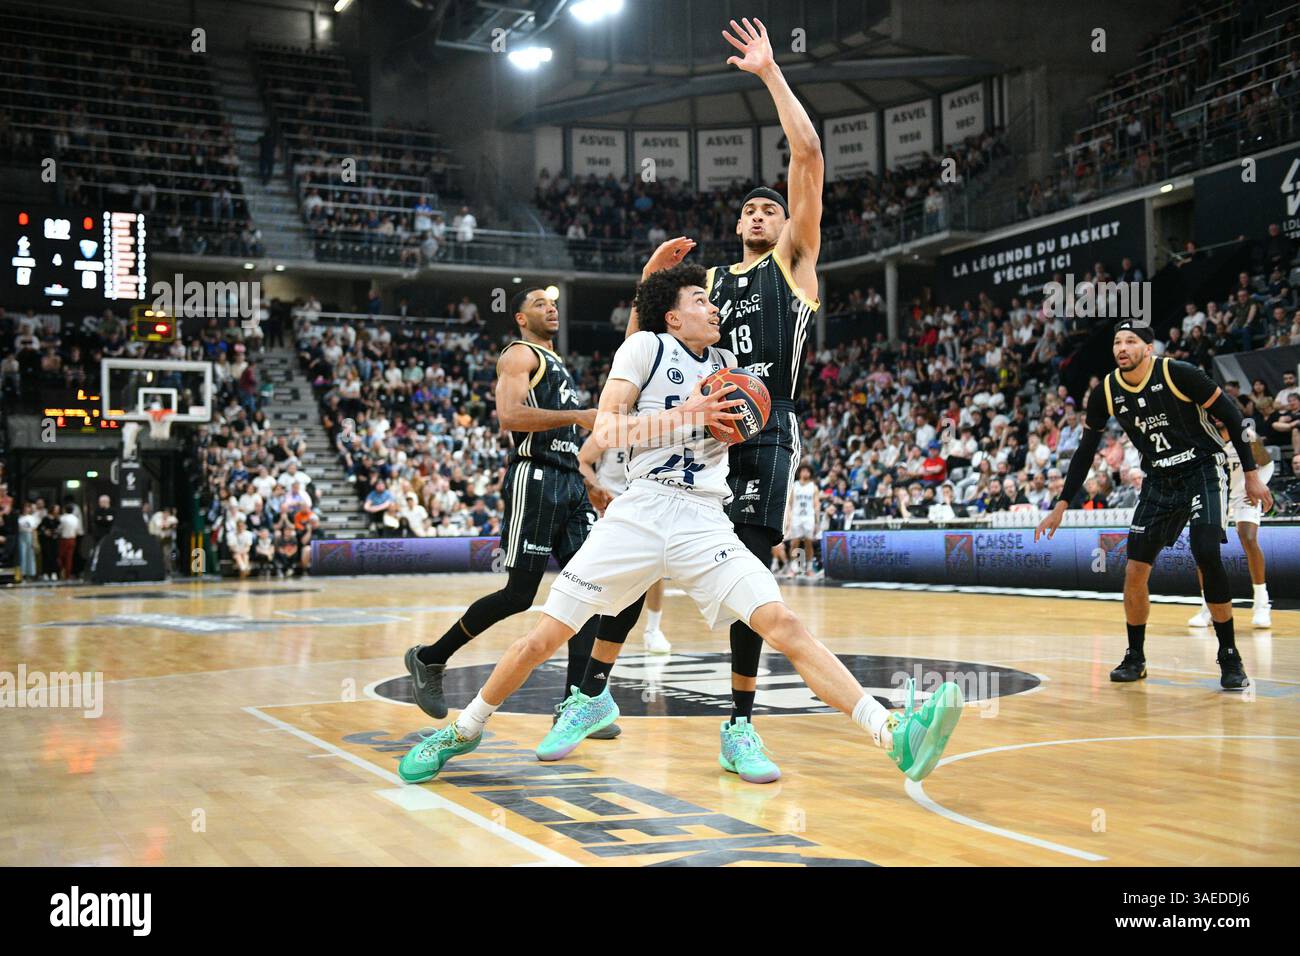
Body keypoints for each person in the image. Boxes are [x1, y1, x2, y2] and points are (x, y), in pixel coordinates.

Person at [396, 263, 964, 787]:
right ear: (673, 316)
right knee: (543, 636)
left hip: (702, 518)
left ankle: (892, 734)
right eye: (700, 299)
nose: (714, 308)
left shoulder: (727, 370)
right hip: (640, 511)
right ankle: (461, 732)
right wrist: (686, 414)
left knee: (783, 622)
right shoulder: (644, 347)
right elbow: (609, 432)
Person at [614, 16, 826, 781]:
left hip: (763, 430)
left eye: (772, 208)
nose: (761, 213)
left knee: (754, 567)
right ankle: (592, 689)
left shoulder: (794, 267)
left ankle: (740, 722)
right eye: (751, 208)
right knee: (636, 552)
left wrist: (770, 73)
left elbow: (806, 154)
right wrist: (650, 274)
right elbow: (642, 339)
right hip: (695, 431)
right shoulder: (706, 290)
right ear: (737, 224)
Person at [402, 287, 617, 738]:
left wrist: (591, 481)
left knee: (591, 590)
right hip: (534, 479)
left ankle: (575, 704)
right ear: (520, 318)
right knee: (520, 595)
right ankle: (430, 657)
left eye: (553, 302)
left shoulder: (558, 365)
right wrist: (577, 417)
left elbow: (566, 441)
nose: (550, 308)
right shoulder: (519, 355)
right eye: (539, 303)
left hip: (570, 484)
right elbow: (509, 416)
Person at [1036, 320, 1272, 690]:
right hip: (1159, 481)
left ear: (1149, 348)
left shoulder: (1178, 373)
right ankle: (1135, 656)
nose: (1122, 348)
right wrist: (1062, 502)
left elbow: (1235, 417)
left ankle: (1229, 656)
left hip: (1203, 470)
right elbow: (1085, 449)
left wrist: (1252, 473)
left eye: (1131, 341)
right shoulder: (1107, 392)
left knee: (1206, 551)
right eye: (1117, 342)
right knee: (1134, 569)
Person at [577, 439, 671, 654]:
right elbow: (582, 460)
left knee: (656, 569)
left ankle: (653, 630)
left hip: (645, 503)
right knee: (601, 573)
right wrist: (597, 488)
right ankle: (591, 628)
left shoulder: (656, 426)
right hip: (611, 505)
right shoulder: (614, 426)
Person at [1189, 425, 1274, 629]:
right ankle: (1207, 607)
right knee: (1204, 548)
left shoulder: (1246, 434)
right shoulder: (1202, 435)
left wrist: (1258, 484)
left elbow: (1267, 464)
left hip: (1245, 492)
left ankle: (1262, 603)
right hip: (1215, 493)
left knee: (1249, 538)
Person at [785, 463, 820, 577]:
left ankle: (809, 569)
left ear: (810, 473)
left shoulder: (813, 487)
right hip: (796, 517)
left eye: (808, 471)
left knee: (809, 543)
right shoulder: (794, 485)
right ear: (799, 472)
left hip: (809, 517)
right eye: (803, 471)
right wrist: (789, 520)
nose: (806, 473)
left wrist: (817, 521)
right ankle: (794, 568)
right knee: (794, 543)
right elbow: (789, 504)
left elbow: (816, 505)